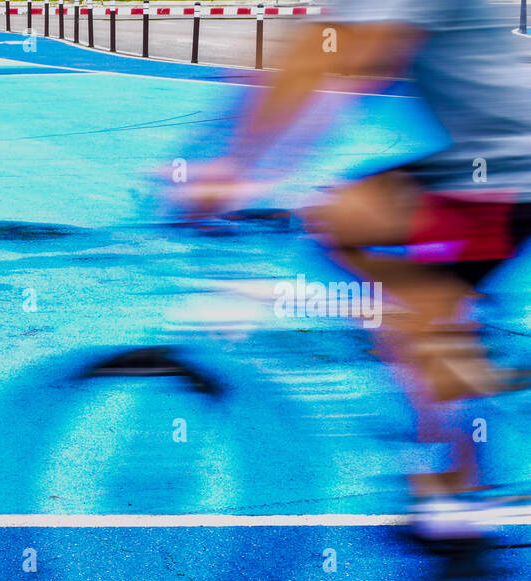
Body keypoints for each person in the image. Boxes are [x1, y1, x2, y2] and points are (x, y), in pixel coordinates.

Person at [177, 0, 531, 547]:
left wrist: (235, 171)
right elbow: (313, 61)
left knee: (344, 223)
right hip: (494, 165)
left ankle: (454, 477)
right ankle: (453, 480)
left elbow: (341, 57)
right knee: (399, 281)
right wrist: (232, 152)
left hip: (503, 173)